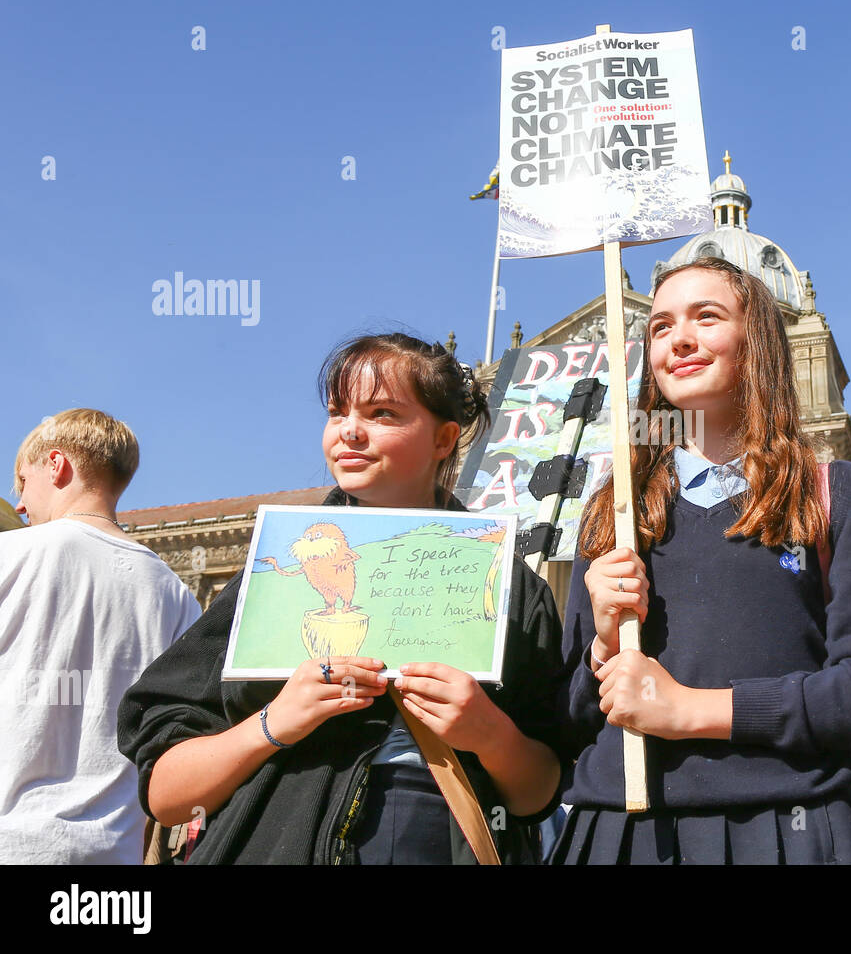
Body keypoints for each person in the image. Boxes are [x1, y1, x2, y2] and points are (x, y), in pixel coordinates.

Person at [118, 333, 567, 864]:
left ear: (445, 439)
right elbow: (167, 796)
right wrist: (274, 723)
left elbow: (540, 793)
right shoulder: (266, 581)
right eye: (337, 412)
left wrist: (490, 733)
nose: (350, 431)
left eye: (381, 413)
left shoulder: (514, 591)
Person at [551, 256, 851, 864]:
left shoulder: (840, 493)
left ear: (756, 339)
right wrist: (602, 644)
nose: (679, 338)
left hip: (787, 828)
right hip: (619, 832)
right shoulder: (611, 508)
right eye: (658, 327)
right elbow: (569, 717)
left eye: (706, 317)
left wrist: (688, 711)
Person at [0, 409, 200, 864]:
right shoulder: (178, 597)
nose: (21, 506)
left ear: (56, 464)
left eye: (22, 482)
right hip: (110, 855)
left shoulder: (8, 554)